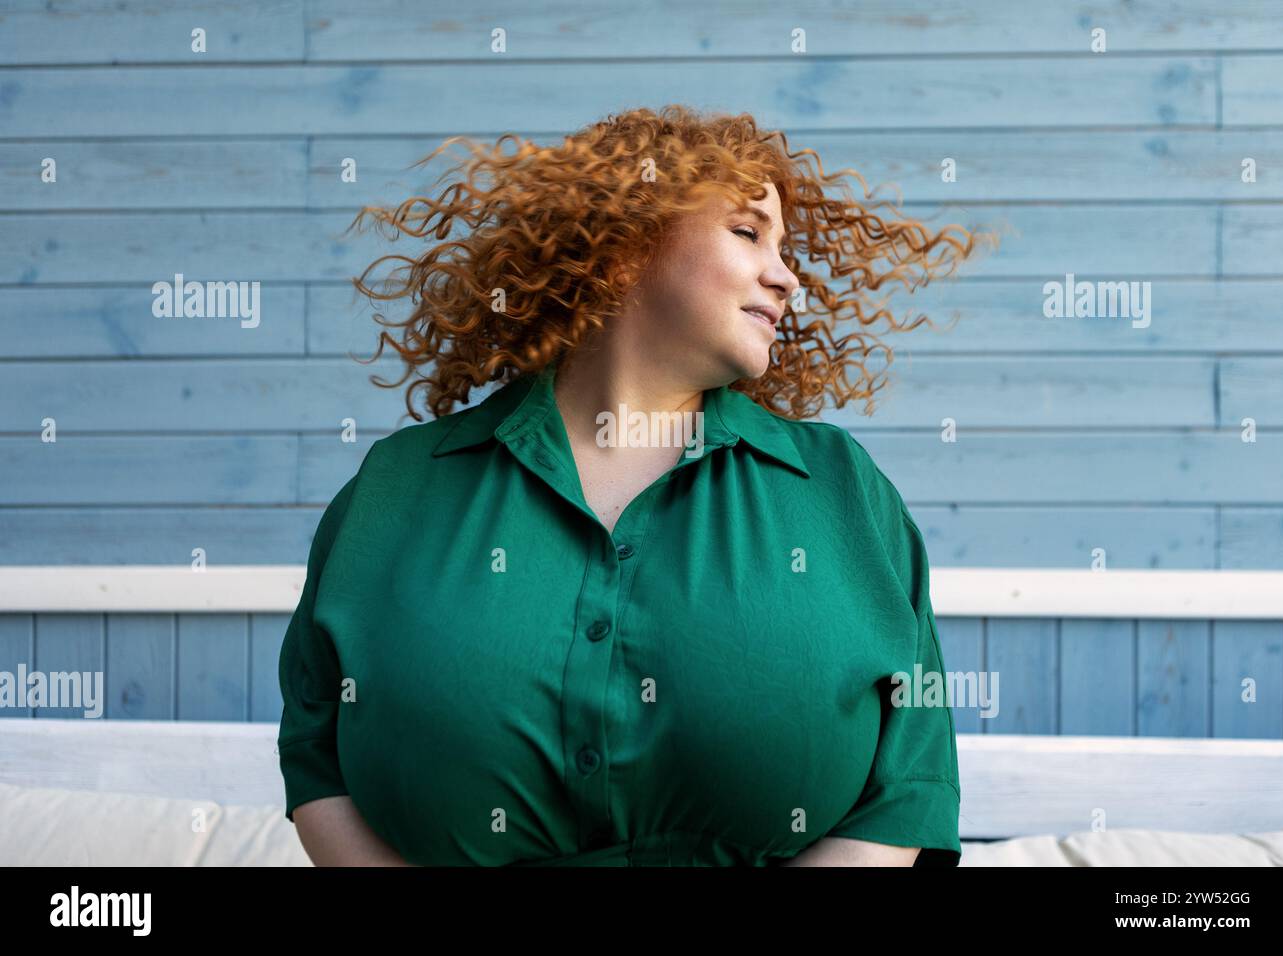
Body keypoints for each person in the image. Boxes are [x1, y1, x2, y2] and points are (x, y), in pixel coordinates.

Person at [277, 104, 991, 866]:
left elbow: (906, 788)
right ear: (624, 245)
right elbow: (316, 752)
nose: (785, 276)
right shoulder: (397, 488)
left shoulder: (841, 491)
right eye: (749, 233)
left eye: (785, 248)